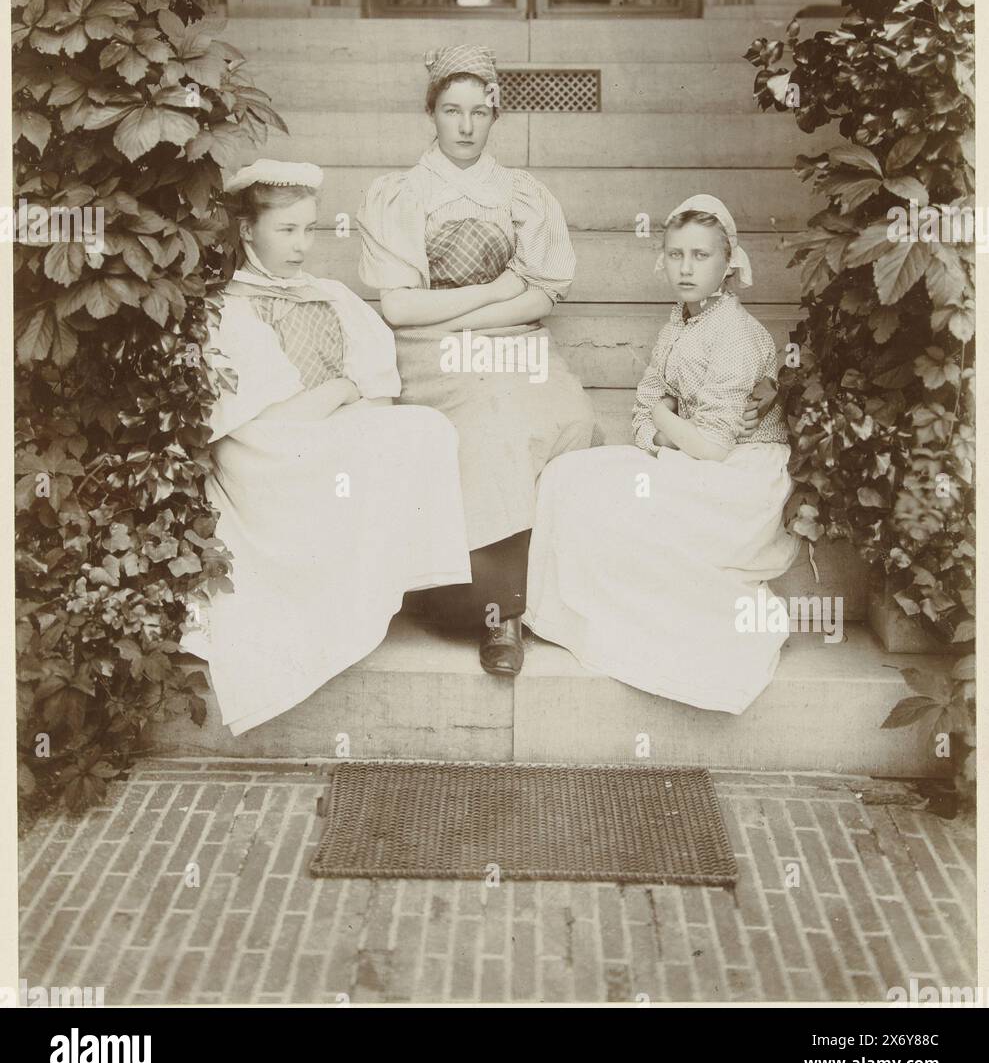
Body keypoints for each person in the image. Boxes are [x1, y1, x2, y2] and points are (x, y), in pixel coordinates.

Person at [182, 157, 472, 735]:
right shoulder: (230, 308)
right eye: (285, 231)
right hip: (262, 458)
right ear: (248, 231)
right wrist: (342, 387)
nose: (300, 246)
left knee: (424, 429)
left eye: (307, 229)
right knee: (328, 435)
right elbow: (268, 418)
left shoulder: (330, 296)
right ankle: (327, 602)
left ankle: (385, 585)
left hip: (321, 437)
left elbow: (380, 395)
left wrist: (347, 402)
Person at [356, 45, 597, 677]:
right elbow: (402, 310)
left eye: (479, 112)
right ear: (431, 113)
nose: (465, 125)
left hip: (510, 337)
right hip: (431, 351)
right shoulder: (401, 193)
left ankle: (552, 598)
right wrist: (493, 294)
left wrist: (471, 315)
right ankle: (497, 617)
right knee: (488, 415)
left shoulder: (521, 193)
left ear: (495, 116)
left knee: (564, 410)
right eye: (451, 110)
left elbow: (543, 292)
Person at [523, 195, 802, 715]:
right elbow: (641, 409)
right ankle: (571, 616)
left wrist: (665, 421)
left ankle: (637, 630)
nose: (686, 268)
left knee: (613, 499)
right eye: (676, 255)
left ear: (728, 263)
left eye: (701, 255)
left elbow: (713, 445)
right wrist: (660, 427)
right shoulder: (679, 323)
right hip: (693, 456)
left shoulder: (736, 335)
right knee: (565, 474)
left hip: (739, 479)